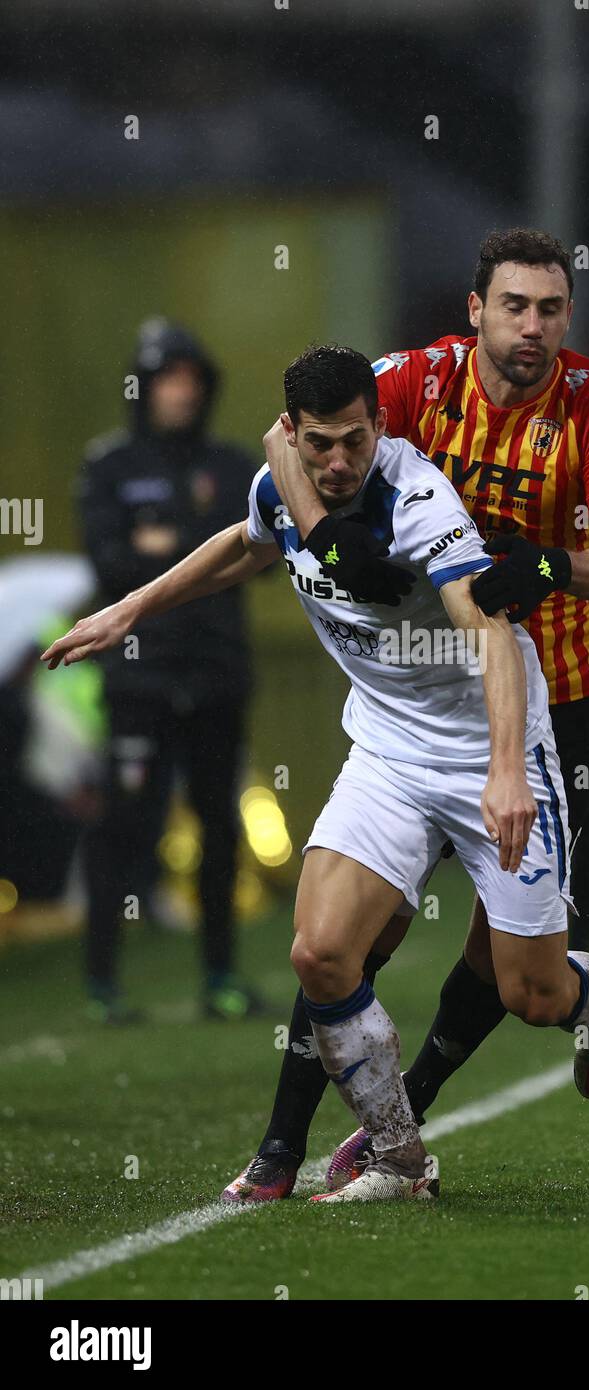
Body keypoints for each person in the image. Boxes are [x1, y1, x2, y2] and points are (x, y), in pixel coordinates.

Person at [42, 344, 589, 1204]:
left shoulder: (422, 503)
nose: (338, 460)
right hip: (390, 752)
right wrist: (128, 608)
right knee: (320, 952)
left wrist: (508, 770)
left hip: (488, 749)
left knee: (533, 993)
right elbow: (245, 548)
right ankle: (399, 1158)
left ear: (379, 425)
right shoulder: (278, 484)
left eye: (355, 439)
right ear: (292, 435)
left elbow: (494, 634)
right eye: (319, 442)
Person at [224, 228, 589, 1201]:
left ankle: (435, 1087)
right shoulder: (413, 380)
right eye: (513, 305)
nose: (530, 326)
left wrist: (549, 564)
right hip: (419, 701)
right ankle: (290, 1147)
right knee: (343, 939)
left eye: (549, 308)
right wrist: (332, 544)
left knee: (510, 971)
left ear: (565, 318)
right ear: (475, 309)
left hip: (559, 695)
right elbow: (285, 435)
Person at [76, 318, 264, 1022]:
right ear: (144, 387)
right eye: (167, 379)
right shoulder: (109, 465)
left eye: (191, 379)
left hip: (217, 676)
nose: (180, 393)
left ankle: (220, 977)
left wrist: (164, 544)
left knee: (220, 827)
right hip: (139, 682)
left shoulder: (236, 462)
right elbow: (109, 562)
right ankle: (102, 984)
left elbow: (259, 556)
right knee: (123, 827)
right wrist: (201, 549)